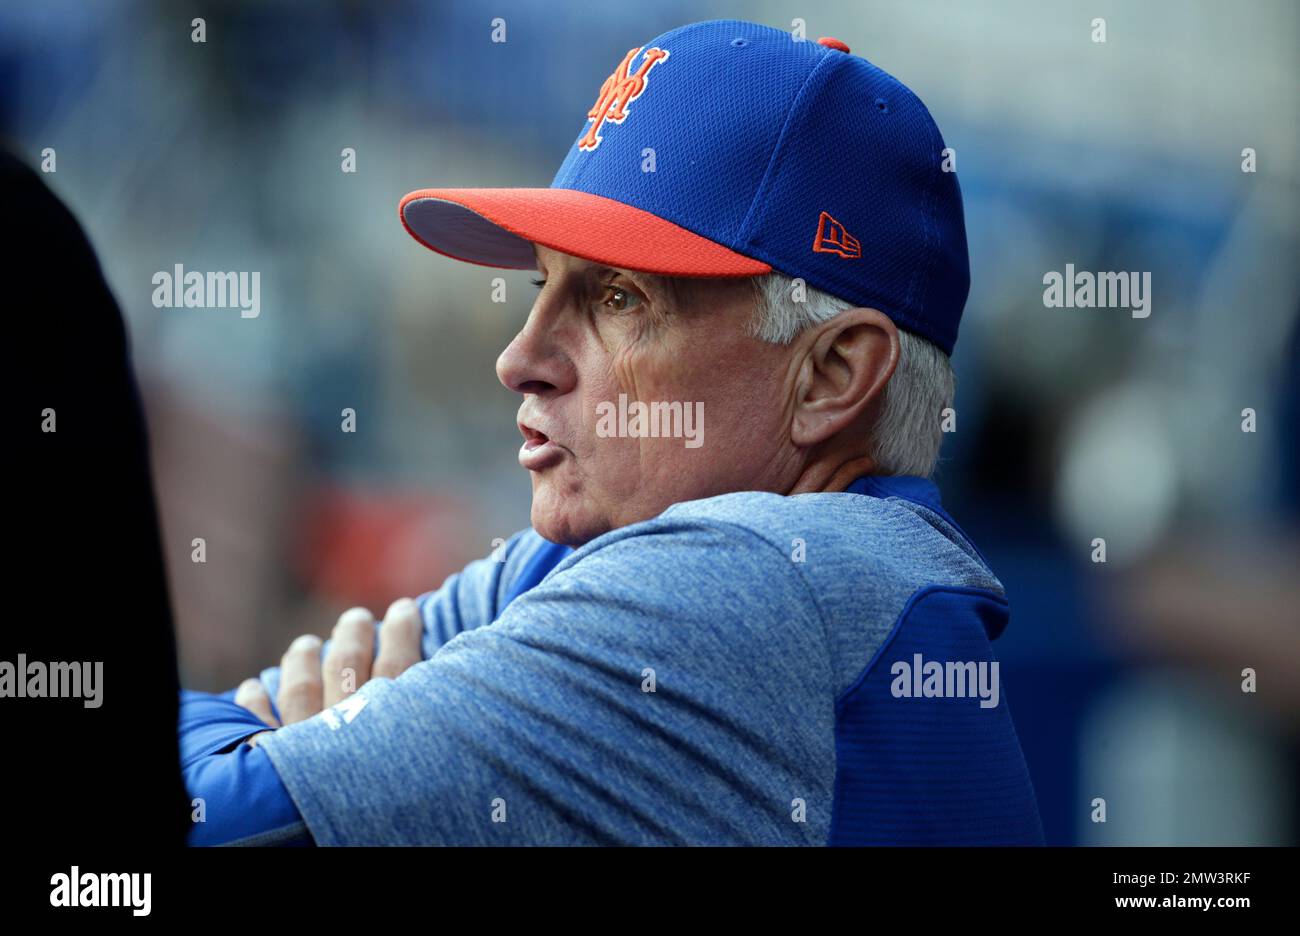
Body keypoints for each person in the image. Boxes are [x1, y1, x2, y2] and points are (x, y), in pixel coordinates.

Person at [182, 19, 1044, 846]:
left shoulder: (751, 581)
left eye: (618, 298)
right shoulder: (606, 544)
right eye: (541, 289)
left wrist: (296, 754)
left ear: (831, 376)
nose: (519, 359)